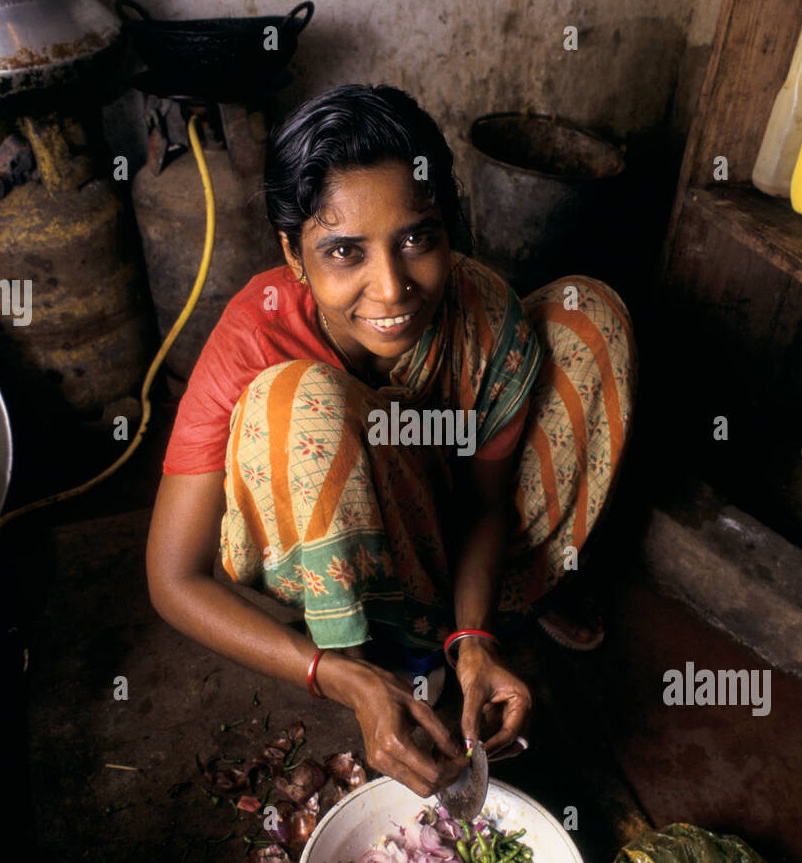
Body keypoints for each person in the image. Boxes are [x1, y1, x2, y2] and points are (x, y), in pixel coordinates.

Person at [146, 84, 635, 798]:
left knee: (588, 319)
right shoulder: (256, 332)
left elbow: (487, 509)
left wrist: (473, 642)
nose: (392, 288)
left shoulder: (478, 313)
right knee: (295, 403)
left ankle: (496, 614)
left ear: (449, 226)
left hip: (450, 534)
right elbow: (173, 578)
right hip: (358, 553)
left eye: (417, 238)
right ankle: (372, 650)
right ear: (293, 253)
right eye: (344, 252)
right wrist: (336, 677)